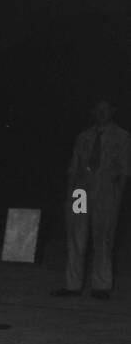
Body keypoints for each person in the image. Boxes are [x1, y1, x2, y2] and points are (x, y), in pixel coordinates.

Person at [52, 98, 129, 300]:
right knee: (76, 236)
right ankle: (72, 285)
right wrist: (69, 197)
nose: (102, 113)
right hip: (81, 193)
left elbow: (125, 172)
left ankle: (101, 286)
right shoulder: (83, 136)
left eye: (106, 109)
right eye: (98, 110)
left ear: (112, 111)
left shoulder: (122, 137)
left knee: (103, 238)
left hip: (105, 193)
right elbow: (73, 168)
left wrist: (117, 199)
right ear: (93, 112)